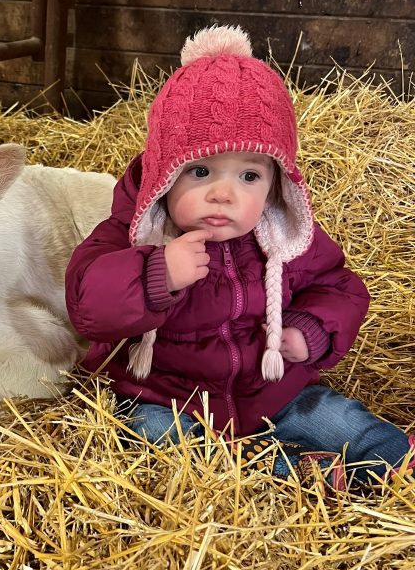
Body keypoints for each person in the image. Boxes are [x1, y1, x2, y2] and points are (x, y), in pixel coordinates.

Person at [65, 24, 413, 489]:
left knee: (340, 418)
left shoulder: (286, 236)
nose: (224, 194)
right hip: (166, 397)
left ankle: (389, 460)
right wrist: (156, 273)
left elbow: (338, 286)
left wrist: (310, 330)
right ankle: (292, 475)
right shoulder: (134, 235)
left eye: (249, 176)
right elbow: (87, 304)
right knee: (155, 439)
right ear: (162, 176)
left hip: (271, 392)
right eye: (201, 170)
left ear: (276, 182)